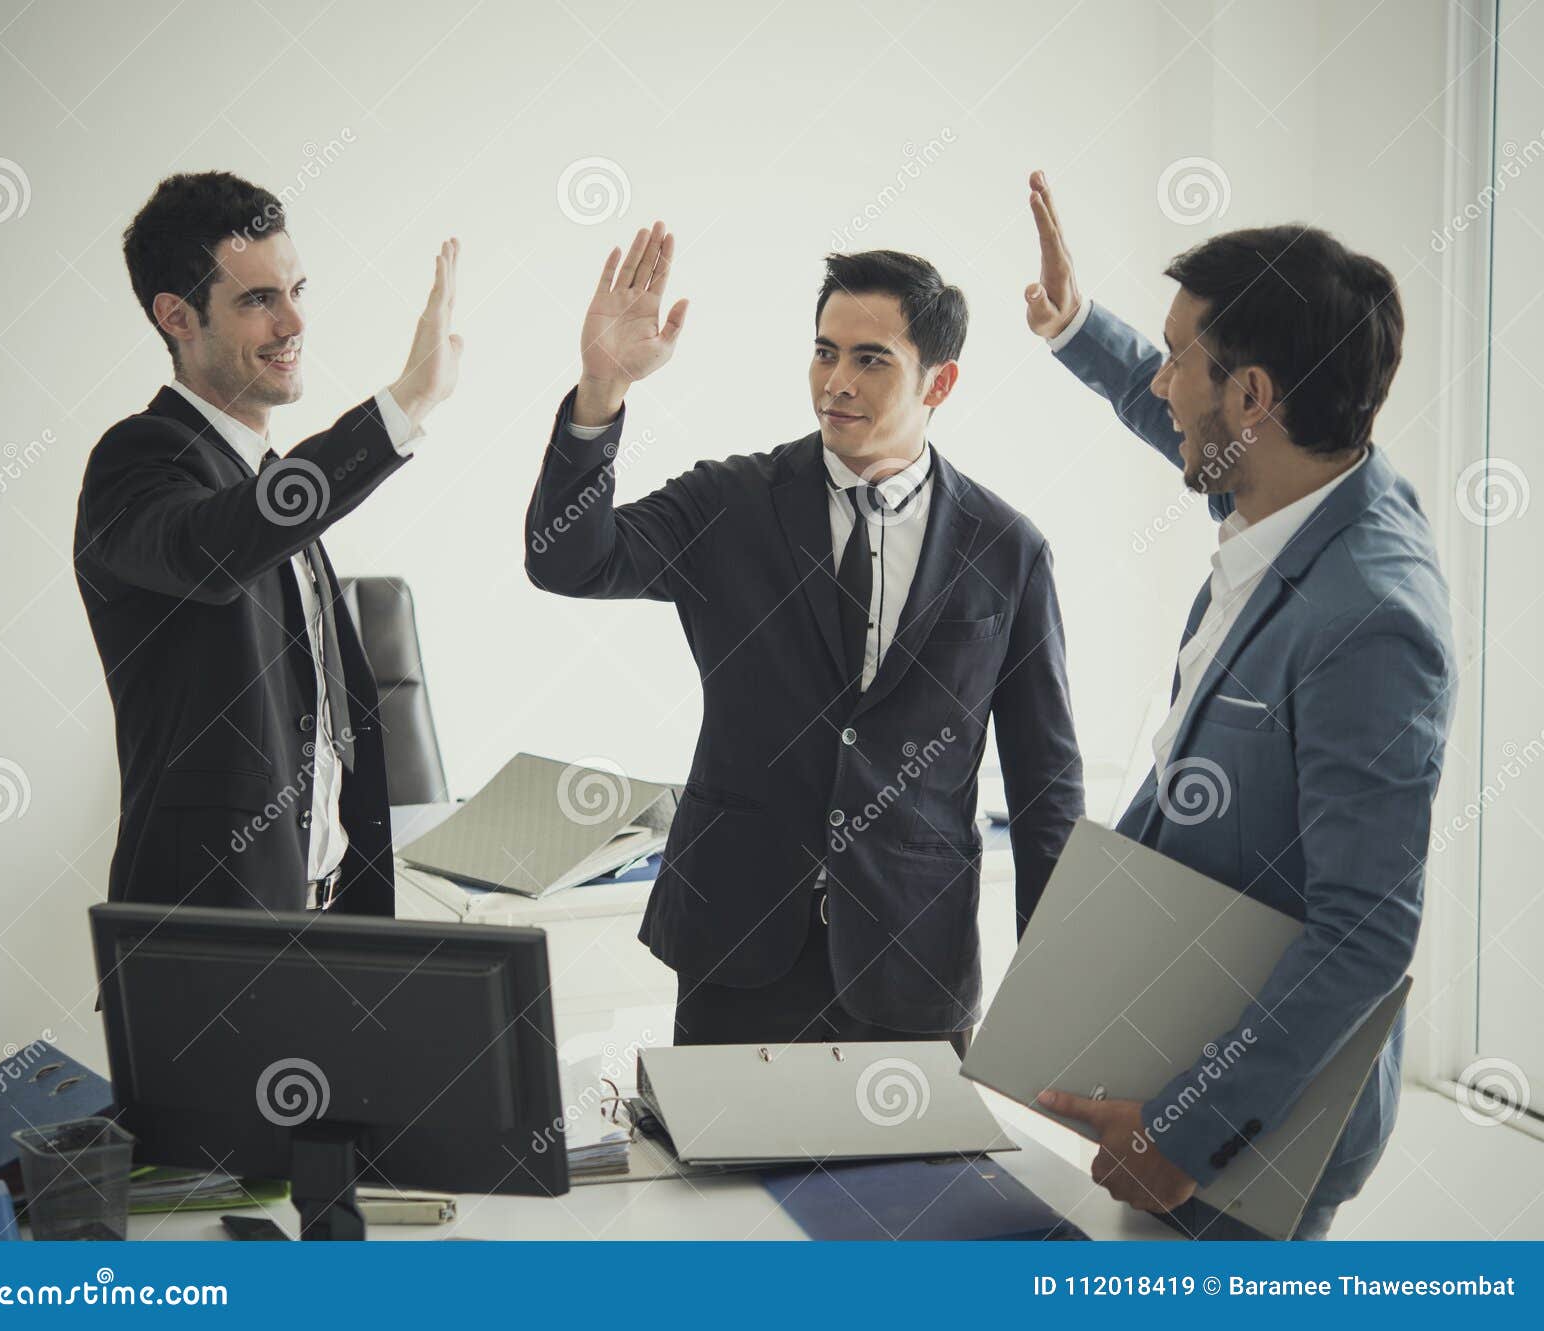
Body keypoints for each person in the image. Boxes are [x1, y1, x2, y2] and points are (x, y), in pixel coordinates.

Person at [525, 221, 1084, 1049]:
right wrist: (600, 390)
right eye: (824, 352)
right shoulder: (730, 502)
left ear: (941, 382)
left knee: (913, 1183)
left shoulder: (1006, 548)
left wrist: (1053, 993)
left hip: (912, 959)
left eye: (870, 359)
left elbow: (1046, 789)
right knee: (719, 1175)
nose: (837, 381)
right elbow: (569, 560)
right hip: (739, 947)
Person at [1022, 171, 1454, 1239]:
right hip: (1186, 1032)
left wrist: (1184, 1132)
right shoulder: (1304, 478)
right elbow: (1174, 419)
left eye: (1178, 357)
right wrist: (1077, 325)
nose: (1161, 383)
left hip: (1255, 1130)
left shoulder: (1371, 616)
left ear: (1254, 397)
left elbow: (1367, 925)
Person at [75, 171, 461, 916]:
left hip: (324, 923)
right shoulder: (139, 462)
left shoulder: (271, 479)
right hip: (205, 943)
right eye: (257, 299)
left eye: (297, 290)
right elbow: (214, 550)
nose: (293, 323)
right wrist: (404, 404)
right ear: (178, 316)